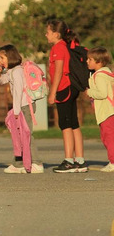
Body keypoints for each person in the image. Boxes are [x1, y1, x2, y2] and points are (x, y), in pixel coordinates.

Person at [46, 20, 87, 173]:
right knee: (74, 123)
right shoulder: (64, 46)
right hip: (71, 87)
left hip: (63, 88)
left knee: (65, 125)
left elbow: (58, 71)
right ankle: (80, 160)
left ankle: (69, 160)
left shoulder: (58, 48)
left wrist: (52, 92)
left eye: (48, 32)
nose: (46, 35)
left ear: (56, 34)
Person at [0, 44, 43, 173]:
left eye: (2, 58)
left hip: (24, 107)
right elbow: (2, 81)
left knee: (27, 135)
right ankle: (19, 163)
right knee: (19, 136)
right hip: (21, 107)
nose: (0, 61)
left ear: (10, 57)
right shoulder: (12, 71)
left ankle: (36, 163)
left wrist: (16, 111)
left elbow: (18, 92)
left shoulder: (17, 71)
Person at [84, 47, 114, 172]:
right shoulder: (107, 74)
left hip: (107, 112)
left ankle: (113, 162)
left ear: (99, 62)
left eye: (90, 59)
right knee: (107, 136)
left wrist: (89, 92)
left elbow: (102, 93)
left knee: (109, 137)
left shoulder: (100, 76)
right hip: (108, 111)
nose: (87, 61)